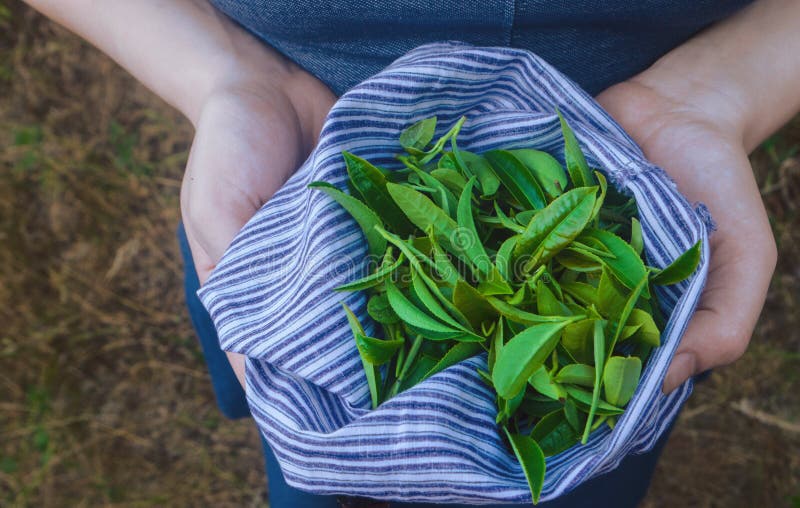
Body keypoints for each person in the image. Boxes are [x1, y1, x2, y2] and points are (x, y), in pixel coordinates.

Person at [24, 1, 796, 506]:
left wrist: (729, 85)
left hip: (630, 157)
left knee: (568, 476)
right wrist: (221, 74)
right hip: (294, 182)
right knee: (317, 443)